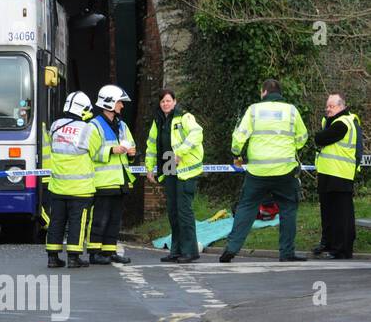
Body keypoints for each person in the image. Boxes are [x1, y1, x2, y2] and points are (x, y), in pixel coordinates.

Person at [219, 79, 308, 263]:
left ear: (264, 92)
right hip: (284, 170)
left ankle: (231, 248)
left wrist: (237, 154)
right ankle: (286, 253)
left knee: (246, 207)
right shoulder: (291, 111)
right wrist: (292, 148)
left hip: (258, 171)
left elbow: (238, 137)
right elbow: (303, 137)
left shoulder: (253, 110)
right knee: (288, 208)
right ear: (279, 93)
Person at [143, 88, 204, 264]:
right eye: (162, 101)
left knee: (184, 212)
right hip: (169, 164)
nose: (165, 104)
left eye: (168, 100)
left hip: (185, 167)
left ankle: (190, 251)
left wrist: (180, 152)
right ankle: (176, 250)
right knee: (173, 212)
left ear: (175, 101)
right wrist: (149, 168)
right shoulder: (159, 120)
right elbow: (152, 144)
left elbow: (197, 133)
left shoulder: (184, 117)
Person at [44, 91, 102, 269]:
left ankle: (53, 257)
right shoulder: (88, 129)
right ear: (84, 109)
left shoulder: (55, 126)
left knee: (56, 221)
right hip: (80, 188)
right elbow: (97, 153)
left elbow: (51, 150)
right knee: (78, 222)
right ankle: (73, 258)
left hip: (58, 186)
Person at [88, 85, 136, 265]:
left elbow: (130, 144)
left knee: (115, 220)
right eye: (119, 102)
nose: (122, 106)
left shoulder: (122, 125)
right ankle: (94, 252)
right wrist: (112, 150)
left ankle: (109, 252)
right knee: (100, 219)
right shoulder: (94, 126)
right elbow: (91, 152)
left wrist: (131, 153)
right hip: (103, 182)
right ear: (109, 103)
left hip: (120, 181)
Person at [312, 93, 359, 260]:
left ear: (341, 106)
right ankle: (329, 244)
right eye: (327, 106)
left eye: (331, 106)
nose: (328, 109)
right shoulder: (329, 122)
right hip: (327, 173)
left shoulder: (343, 123)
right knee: (328, 212)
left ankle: (343, 249)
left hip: (340, 174)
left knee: (342, 214)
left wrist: (319, 137)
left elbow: (321, 138)